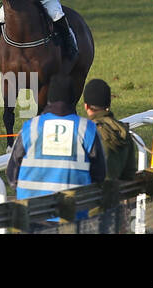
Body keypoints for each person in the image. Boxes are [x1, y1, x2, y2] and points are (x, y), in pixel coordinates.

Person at [7, 74, 105, 203]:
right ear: (73, 99)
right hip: (74, 214)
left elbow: (12, 173)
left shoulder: (31, 127)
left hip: (30, 213)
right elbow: (99, 175)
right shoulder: (87, 128)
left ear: (49, 98)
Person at [82, 79, 138, 179]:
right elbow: (130, 173)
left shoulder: (85, 131)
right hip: (120, 192)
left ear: (86, 106)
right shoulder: (123, 130)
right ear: (108, 104)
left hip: (94, 192)